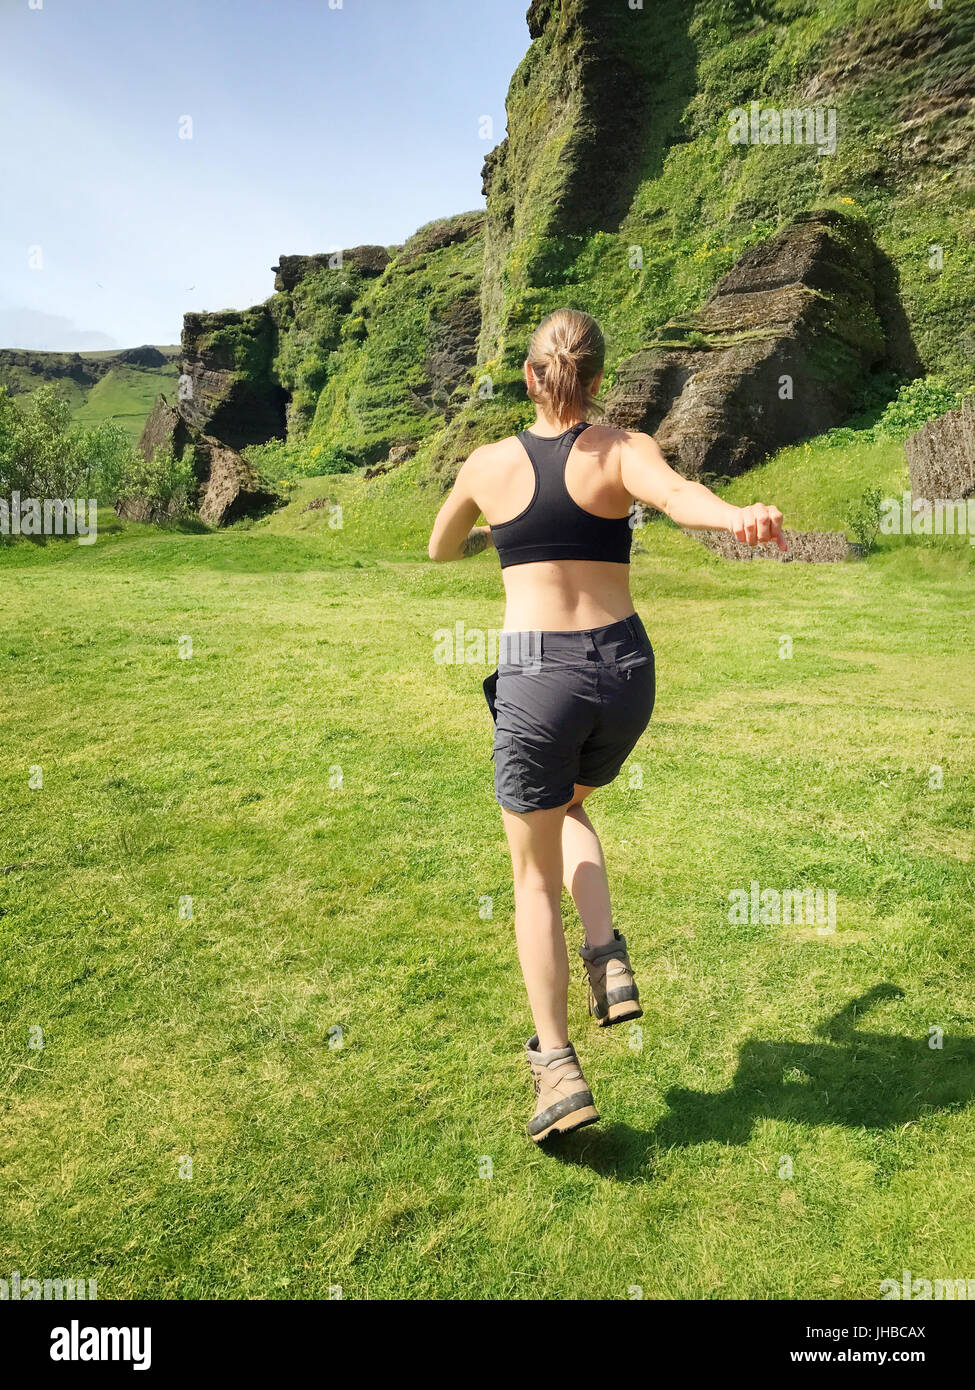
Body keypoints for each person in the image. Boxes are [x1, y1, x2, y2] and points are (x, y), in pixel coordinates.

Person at [428, 308, 786, 1142]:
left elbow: (443, 549)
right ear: (595, 379)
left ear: (529, 376)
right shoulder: (623, 449)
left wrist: (492, 529)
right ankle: (606, 957)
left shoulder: (485, 463)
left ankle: (555, 1067)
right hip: (624, 674)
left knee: (529, 877)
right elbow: (678, 497)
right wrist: (738, 517)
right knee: (574, 804)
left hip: (538, 676)